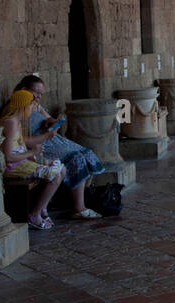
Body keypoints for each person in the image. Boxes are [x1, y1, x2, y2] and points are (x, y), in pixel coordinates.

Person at [0, 90, 100, 226]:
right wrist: (32, 152)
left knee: (60, 169)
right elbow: (8, 157)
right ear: (23, 106)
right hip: (13, 167)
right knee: (55, 174)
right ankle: (34, 214)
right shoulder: (10, 123)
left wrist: (35, 156)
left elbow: (21, 145)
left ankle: (42, 206)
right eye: (31, 106)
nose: (33, 109)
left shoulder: (18, 122)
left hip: (22, 161)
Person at [13, 74, 106, 218]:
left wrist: (54, 122)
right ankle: (78, 208)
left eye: (40, 94)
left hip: (51, 138)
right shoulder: (17, 108)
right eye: (35, 92)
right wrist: (45, 136)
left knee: (86, 153)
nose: (38, 97)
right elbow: (18, 140)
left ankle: (74, 198)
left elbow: (48, 118)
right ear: (24, 89)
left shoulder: (35, 105)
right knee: (76, 158)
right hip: (40, 144)